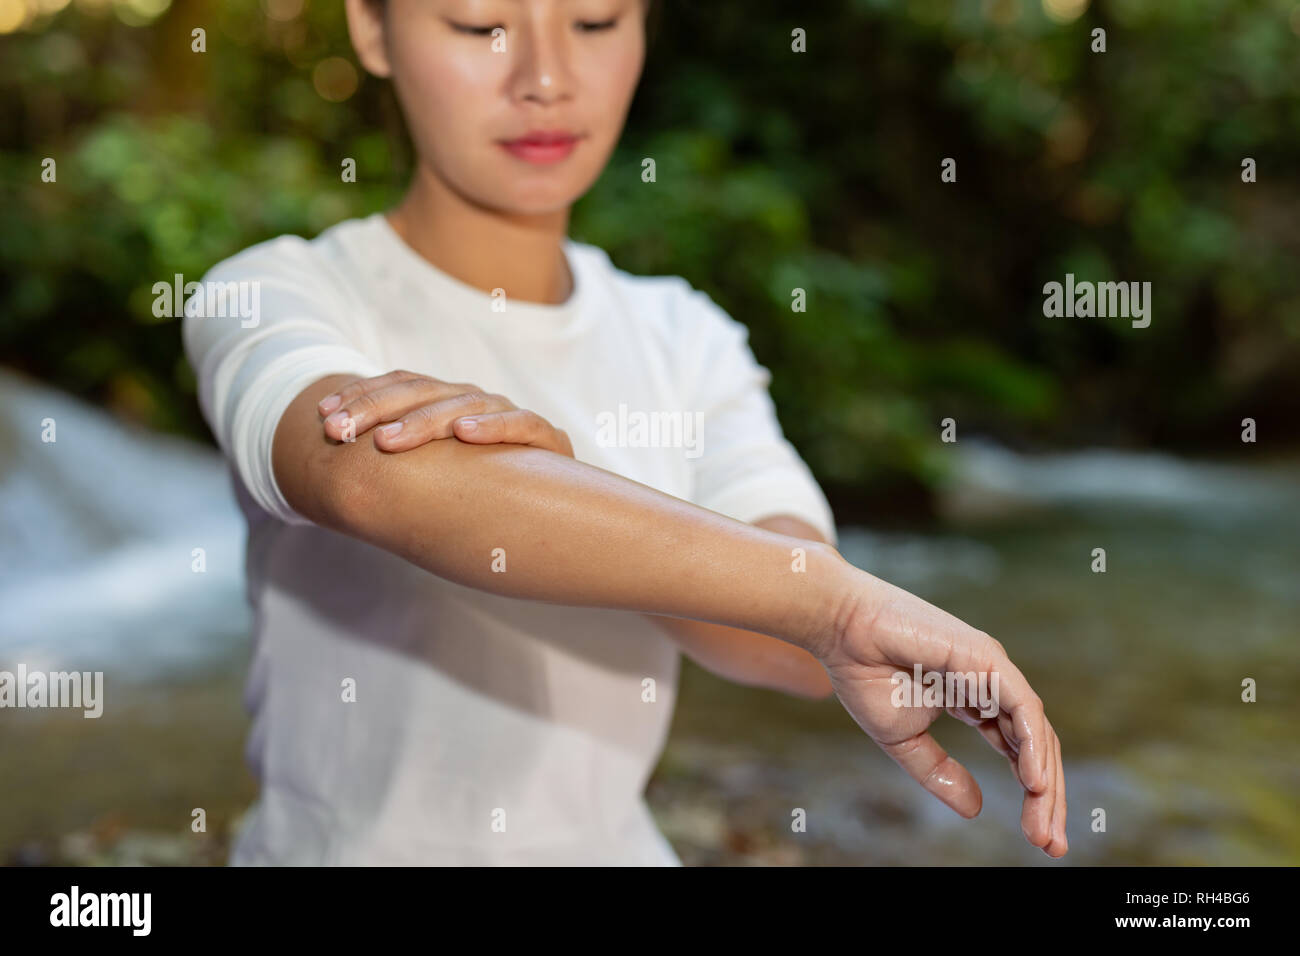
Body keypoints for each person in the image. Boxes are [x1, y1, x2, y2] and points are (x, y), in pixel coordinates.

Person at [183, 0, 1067, 865]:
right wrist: (829, 605)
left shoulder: (684, 337)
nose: (546, 78)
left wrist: (565, 494)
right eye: (479, 25)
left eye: (596, 23)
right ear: (372, 28)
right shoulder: (273, 293)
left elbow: (793, 629)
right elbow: (366, 476)